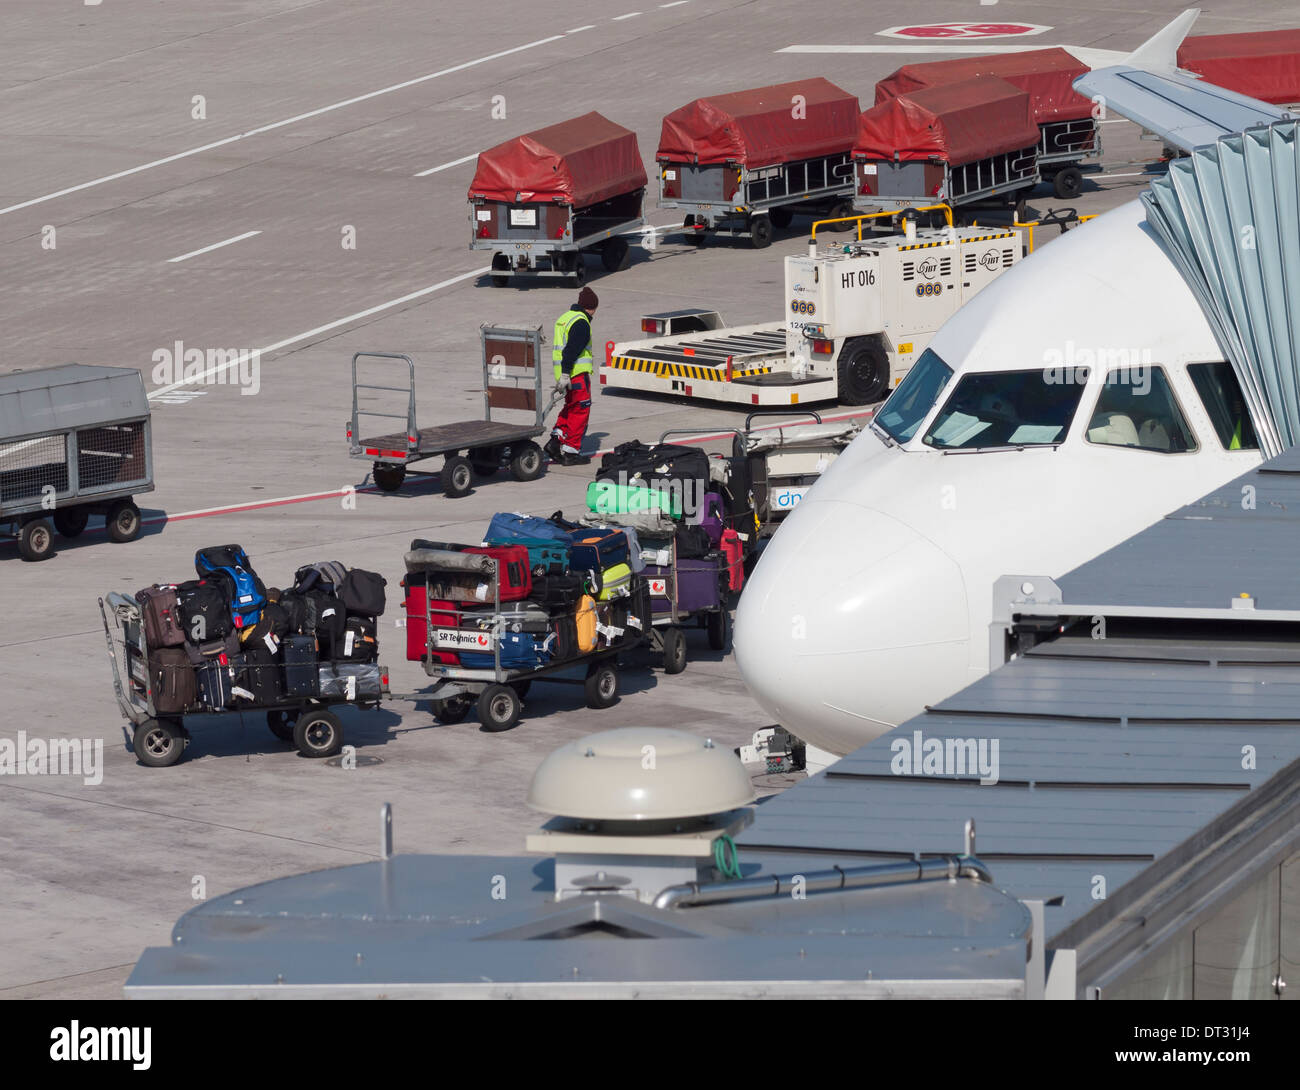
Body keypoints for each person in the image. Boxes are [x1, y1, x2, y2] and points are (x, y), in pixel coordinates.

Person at [545, 286, 598, 465]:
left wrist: (563, 375)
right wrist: (567, 373)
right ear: (590, 307)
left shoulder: (565, 318)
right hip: (575, 374)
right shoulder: (582, 322)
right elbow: (570, 351)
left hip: (563, 376)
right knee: (580, 411)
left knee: (570, 408)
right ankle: (571, 452)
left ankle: (555, 441)